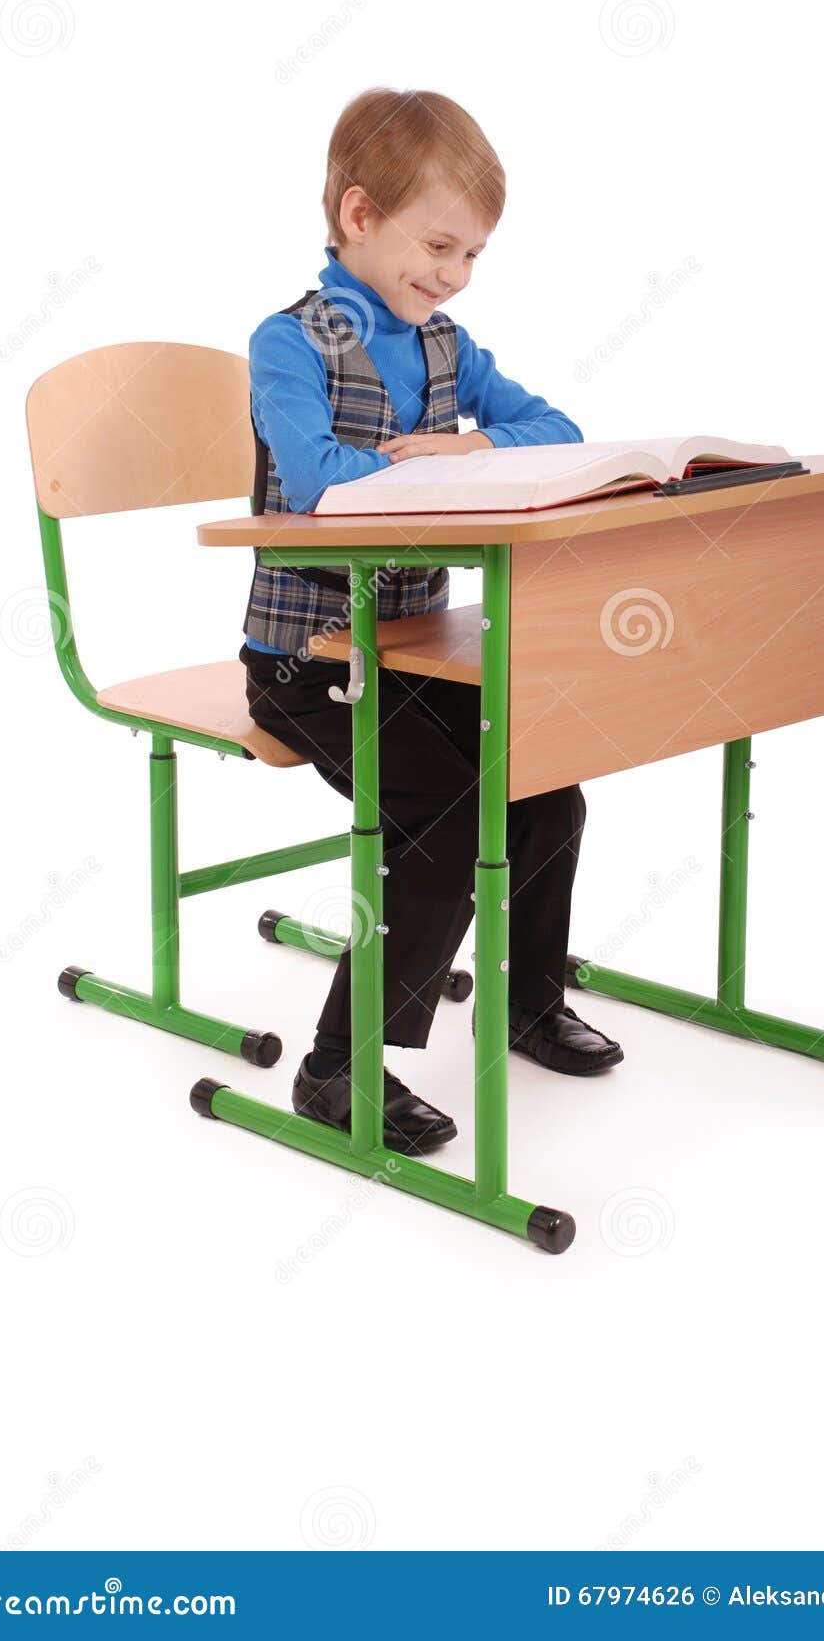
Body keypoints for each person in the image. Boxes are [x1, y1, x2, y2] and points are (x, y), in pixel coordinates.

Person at [240, 87, 623, 1157]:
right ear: (359, 214)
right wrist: (430, 465)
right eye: (438, 243)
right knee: (444, 814)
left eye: (473, 255)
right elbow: (314, 480)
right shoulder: (291, 341)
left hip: (409, 652)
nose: (452, 274)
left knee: (545, 783)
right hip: (309, 660)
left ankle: (529, 1003)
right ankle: (337, 1068)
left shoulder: (449, 344)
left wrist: (471, 449)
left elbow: (559, 428)